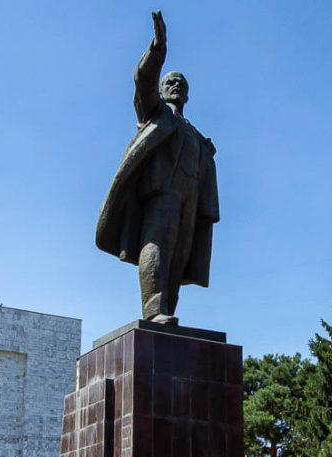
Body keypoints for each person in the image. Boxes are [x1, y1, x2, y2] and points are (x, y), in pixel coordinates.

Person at [95, 11, 219, 326]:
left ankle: (167, 313)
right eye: (169, 82)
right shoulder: (155, 114)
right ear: (162, 91)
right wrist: (157, 50)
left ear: (187, 94)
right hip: (160, 192)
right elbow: (143, 80)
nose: (175, 85)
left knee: (179, 256)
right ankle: (153, 311)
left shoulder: (194, 132)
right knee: (159, 244)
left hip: (189, 197)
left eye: (181, 83)